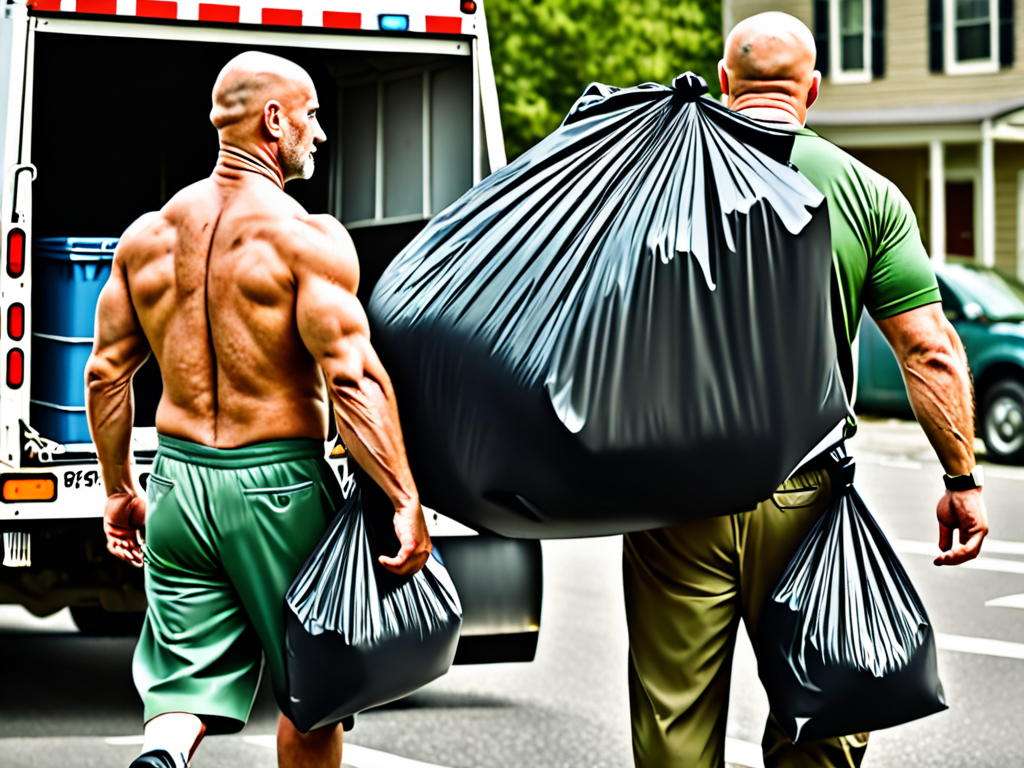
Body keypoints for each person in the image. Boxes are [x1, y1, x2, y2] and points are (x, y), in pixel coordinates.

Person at [622, 12, 990, 768]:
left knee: (673, 727)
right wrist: (962, 478)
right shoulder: (867, 194)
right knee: (823, 723)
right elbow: (929, 349)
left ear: (725, 83)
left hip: (676, 492)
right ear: (812, 91)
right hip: (805, 494)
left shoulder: (651, 182)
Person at [85, 51, 431, 768]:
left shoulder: (147, 236)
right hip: (278, 490)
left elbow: (105, 373)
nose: (319, 134)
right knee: (315, 692)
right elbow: (352, 377)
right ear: (273, 120)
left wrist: (121, 489)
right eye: (310, 116)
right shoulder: (307, 238)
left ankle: (162, 759)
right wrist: (402, 494)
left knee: (181, 682)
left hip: (178, 484)